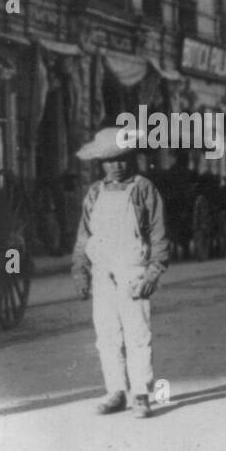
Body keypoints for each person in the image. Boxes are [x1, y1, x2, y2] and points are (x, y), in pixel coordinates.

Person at [71, 126, 169, 418]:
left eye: (123, 159)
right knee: (107, 334)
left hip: (133, 271)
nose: (116, 166)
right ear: (100, 163)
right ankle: (115, 391)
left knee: (137, 333)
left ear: (133, 159)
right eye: (110, 160)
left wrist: (153, 273)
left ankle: (140, 393)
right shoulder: (95, 193)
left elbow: (159, 234)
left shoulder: (143, 188)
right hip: (103, 272)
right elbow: (84, 236)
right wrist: (80, 271)